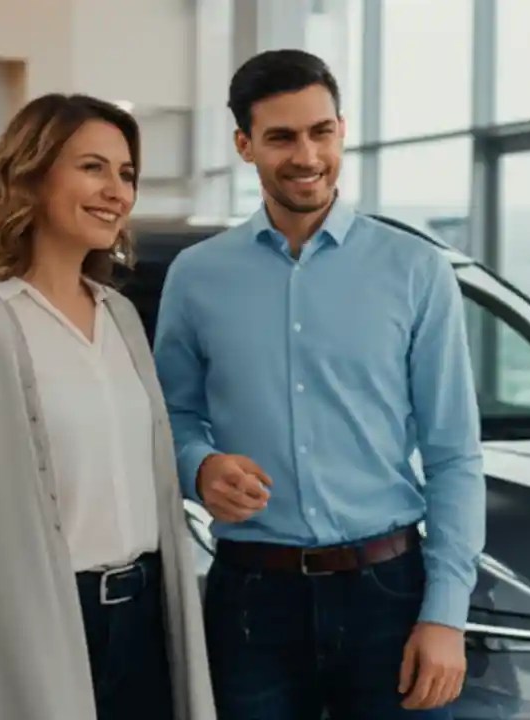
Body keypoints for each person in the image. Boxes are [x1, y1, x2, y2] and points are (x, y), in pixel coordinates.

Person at [153, 49, 484, 719]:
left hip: (389, 591)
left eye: (320, 132)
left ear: (341, 129)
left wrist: (446, 615)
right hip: (252, 599)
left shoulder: (416, 269)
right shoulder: (196, 276)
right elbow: (169, 418)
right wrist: (199, 466)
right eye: (281, 137)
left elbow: (454, 453)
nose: (306, 155)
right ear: (245, 145)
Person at [0, 93, 216, 720]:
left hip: (148, 622)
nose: (116, 190)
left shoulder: (121, 318)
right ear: (31, 174)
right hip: (36, 633)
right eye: (92, 167)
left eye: (127, 173)